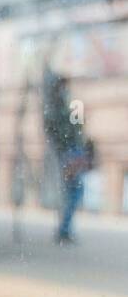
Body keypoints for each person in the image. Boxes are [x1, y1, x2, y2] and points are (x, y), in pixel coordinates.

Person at [44, 74, 94, 244]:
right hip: (70, 151)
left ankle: (65, 228)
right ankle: (64, 229)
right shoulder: (62, 108)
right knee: (74, 191)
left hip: (70, 151)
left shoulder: (59, 107)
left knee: (72, 191)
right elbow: (73, 128)